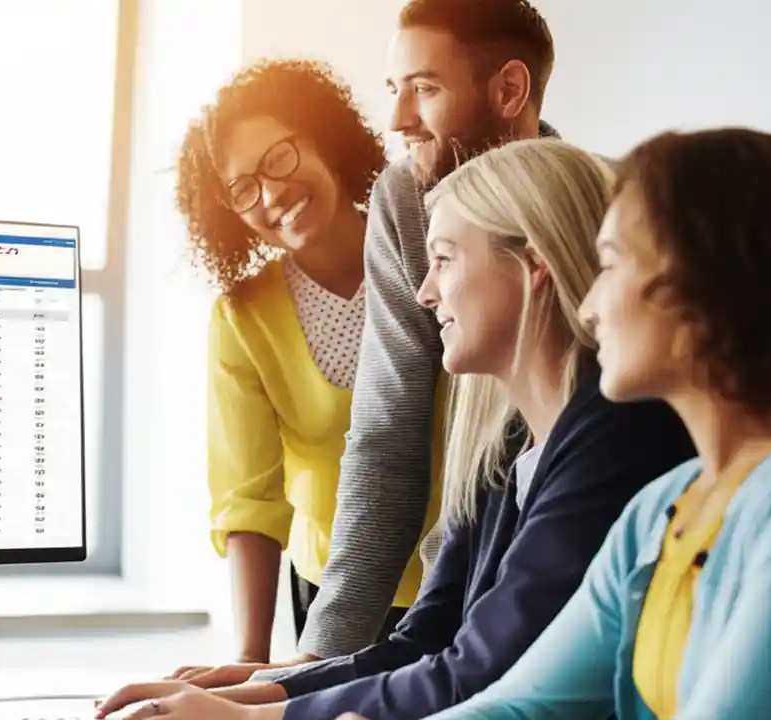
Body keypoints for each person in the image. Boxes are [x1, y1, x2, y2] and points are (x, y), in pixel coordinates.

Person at [98, 139, 697, 720]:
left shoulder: (619, 437)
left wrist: (252, 715)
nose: (423, 291)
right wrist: (258, 688)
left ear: (533, 263)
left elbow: (475, 671)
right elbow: (420, 643)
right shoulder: (501, 446)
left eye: (443, 259)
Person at [158, 0, 564, 690]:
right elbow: (382, 442)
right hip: (387, 590)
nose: (399, 118)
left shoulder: (580, 213)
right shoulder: (403, 200)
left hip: (508, 574)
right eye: (393, 89)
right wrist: (282, 677)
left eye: (425, 87)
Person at [426, 128, 771, 719]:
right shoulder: (657, 512)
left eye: (608, 264)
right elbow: (522, 705)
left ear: (699, 276)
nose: (588, 304)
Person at [175, 57, 436, 667]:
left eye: (280, 159)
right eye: (243, 189)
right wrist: (249, 657)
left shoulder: (431, 249)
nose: (272, 195)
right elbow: (251, 498)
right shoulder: (242, 317)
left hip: (455, 575)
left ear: (324, 138)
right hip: (333, 592)